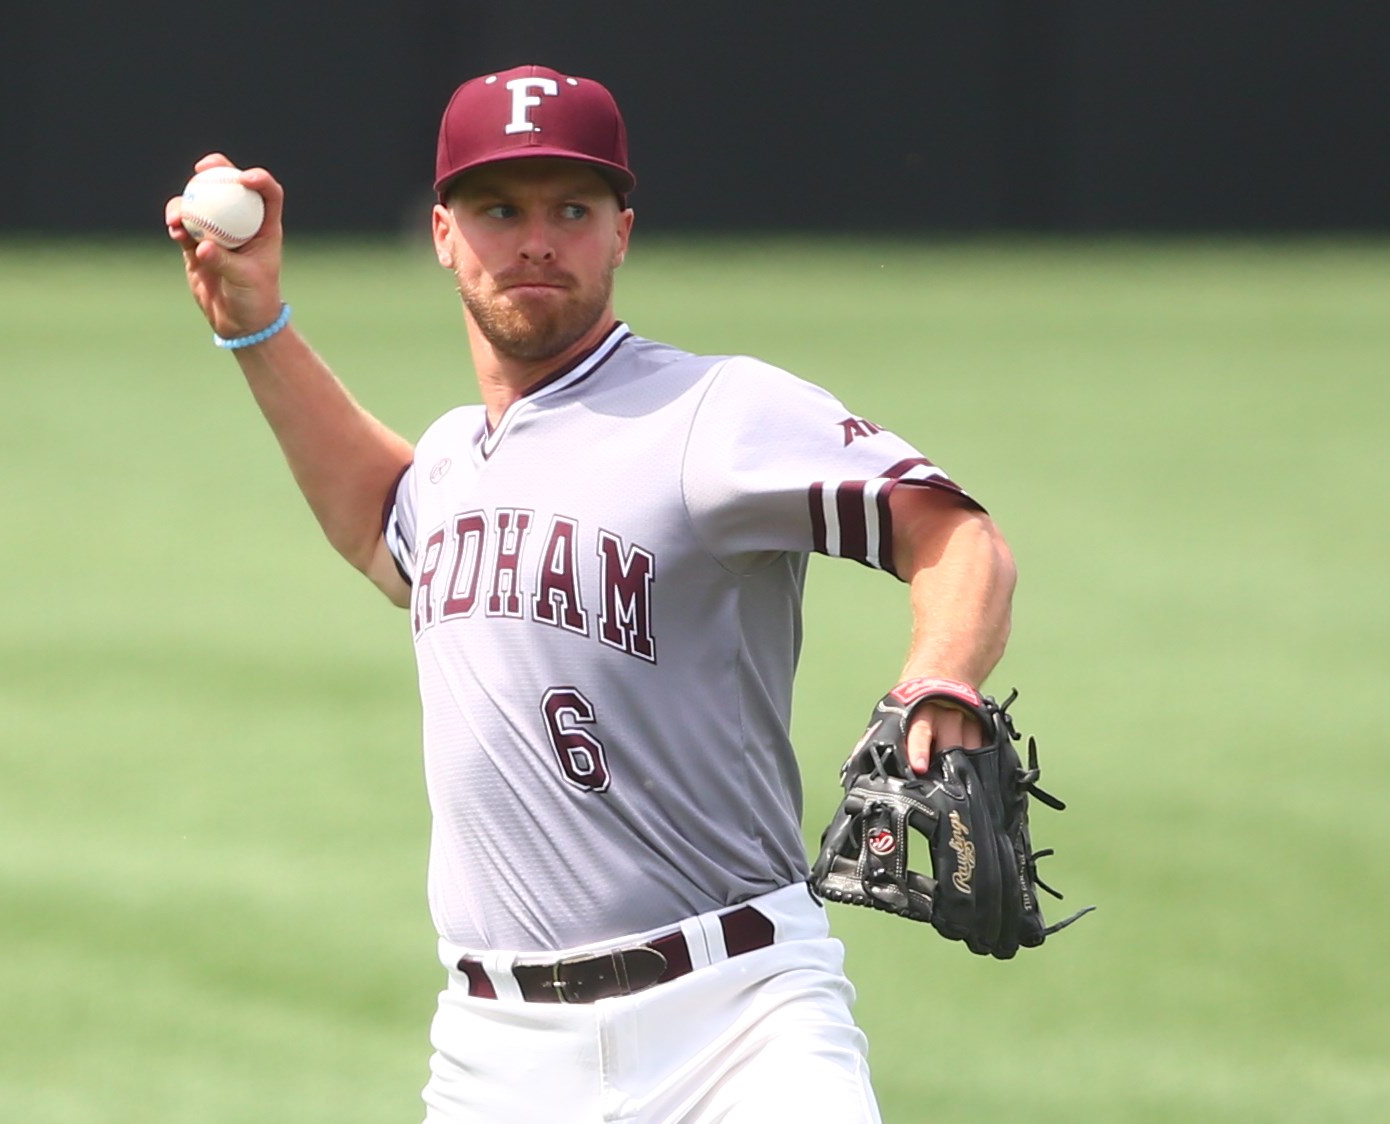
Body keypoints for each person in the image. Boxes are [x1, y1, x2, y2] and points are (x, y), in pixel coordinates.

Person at [165, 65, 1017, 1122]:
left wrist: (941, 676)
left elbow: (952, 530)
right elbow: (377, 517)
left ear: (621, 233)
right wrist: (254, 324)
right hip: (494, 1057)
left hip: (739, 1023)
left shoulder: (714, 411)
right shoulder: (450, 464)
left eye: (572, 210)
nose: (536, 241)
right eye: (499, 211)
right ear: (442, 234)